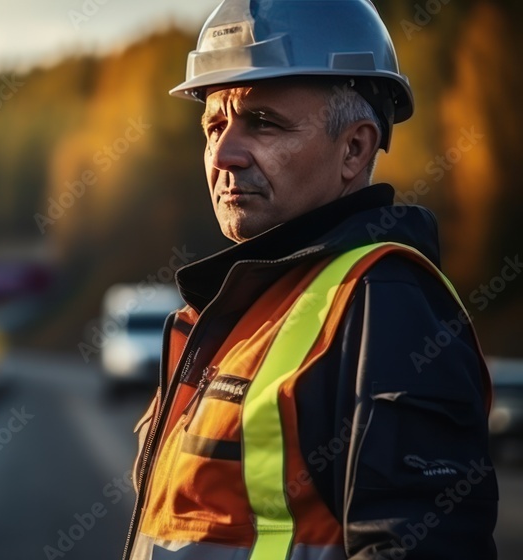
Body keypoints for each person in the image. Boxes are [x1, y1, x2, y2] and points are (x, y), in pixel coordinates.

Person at [123, 1, 499, 559]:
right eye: (214, 125)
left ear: (354, 148)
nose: (223, 153)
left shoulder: (384, 304)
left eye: (264, 122)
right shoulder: (239, 313)